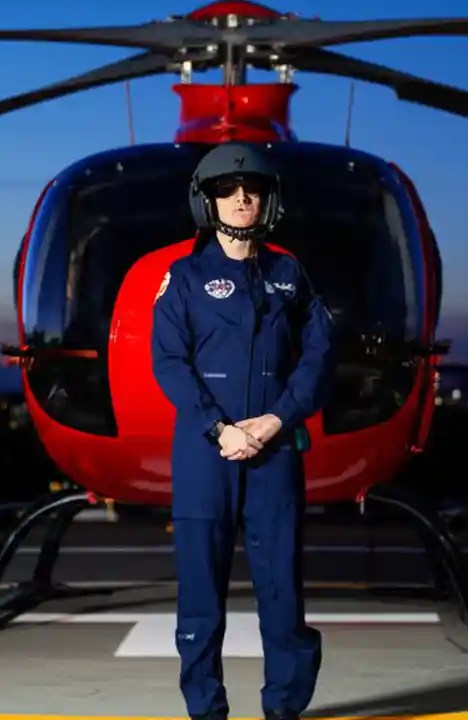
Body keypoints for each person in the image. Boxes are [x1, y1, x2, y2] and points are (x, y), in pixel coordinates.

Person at [150, 142, 337, 720]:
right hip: (206, 457)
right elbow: (168, 363)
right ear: (207, 202)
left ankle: (284, 708)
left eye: (250, 190)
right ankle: (206, 712)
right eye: (227, 192)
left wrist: (280, 417)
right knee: (200, 600)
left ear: (267, 201)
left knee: (282, 592)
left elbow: (319, 355)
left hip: (274, 453)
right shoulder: (183, 278)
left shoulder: (289, 274)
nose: (240, 199)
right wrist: (218, 430)